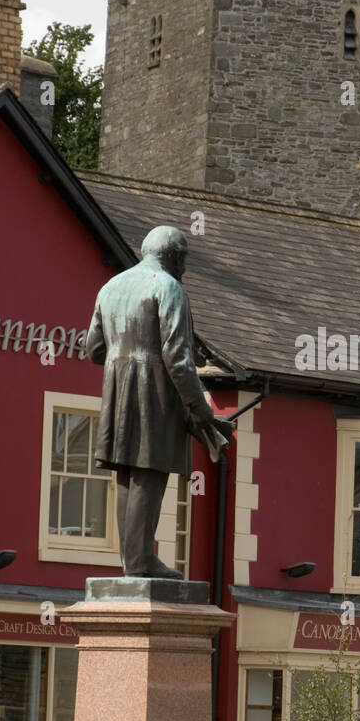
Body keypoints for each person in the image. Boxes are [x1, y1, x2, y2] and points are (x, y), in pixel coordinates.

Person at [86, 225, 234, 579]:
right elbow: (178, 358)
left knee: (126, 472)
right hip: (154, 390)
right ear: (173, 256)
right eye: (184, 258)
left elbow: (93, 349)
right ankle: (140, 563)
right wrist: (201, 409)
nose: (185, 267)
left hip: (116, 388)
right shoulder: (169, 287)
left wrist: (123, 353)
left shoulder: (110, 287)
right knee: (149, 474)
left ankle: (132, 561)